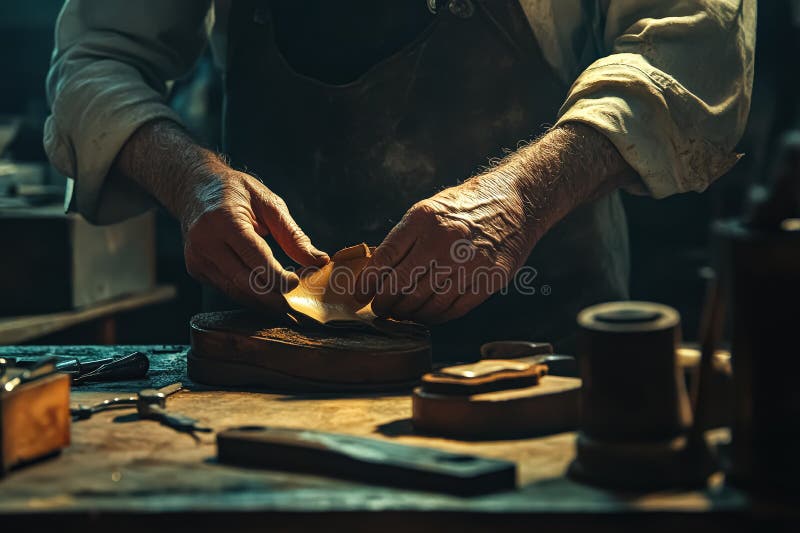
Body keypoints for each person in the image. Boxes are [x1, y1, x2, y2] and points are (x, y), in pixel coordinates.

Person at [44, 0, 755, 354]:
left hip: (536, 368)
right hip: (268, 375)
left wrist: (522, 194)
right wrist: (191, 179)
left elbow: (697, 41)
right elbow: (94, 60)